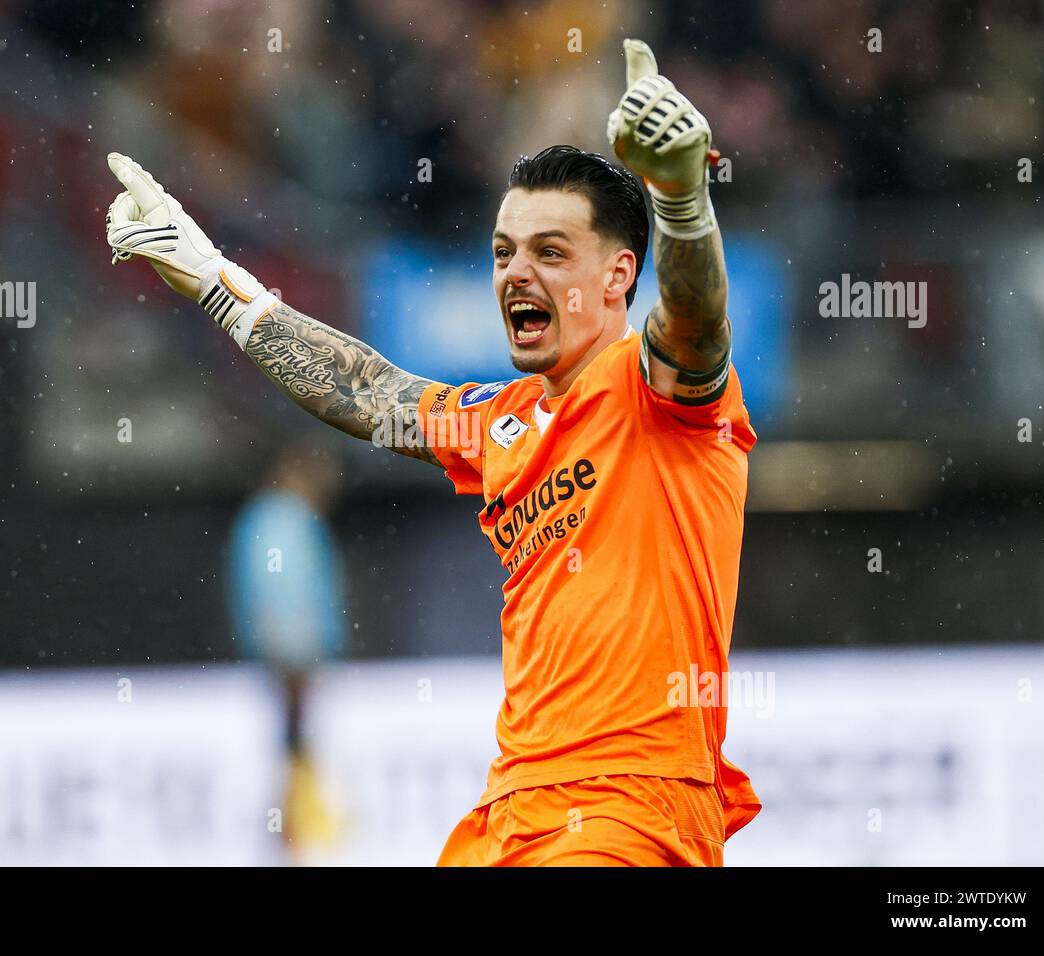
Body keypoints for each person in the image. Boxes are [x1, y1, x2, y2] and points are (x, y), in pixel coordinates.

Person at [103, 39, 759, 866]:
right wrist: (212, 280)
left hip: (628, 810)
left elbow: (698, 321)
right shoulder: (500, 423)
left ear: (619, 276)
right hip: (513, 810)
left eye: (551, 253)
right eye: (503, 252)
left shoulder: (660, 394)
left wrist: (683, 200)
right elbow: (369, 393)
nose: (517, 273)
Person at [225, 444, 346, 863]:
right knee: (293, 741)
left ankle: (293, 830)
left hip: (289, 654)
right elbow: (281, 591)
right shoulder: (284, 521)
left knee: (294, 742)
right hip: (292, 657)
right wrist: (296, 652)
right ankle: (291, 834)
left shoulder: (271, 518)